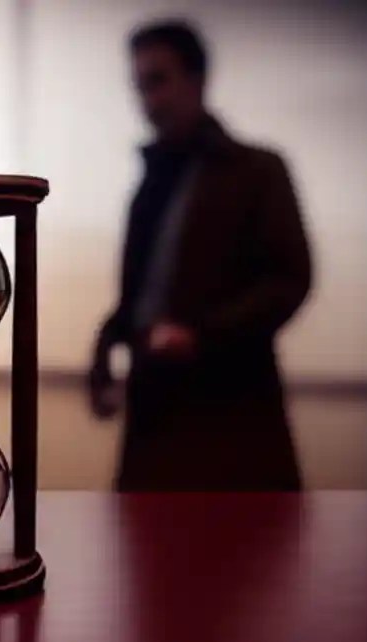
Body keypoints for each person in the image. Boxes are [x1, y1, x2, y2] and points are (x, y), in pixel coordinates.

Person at [89, 20, 312, 491]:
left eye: (158, 81)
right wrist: (104, 351)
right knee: (145, 532)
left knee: (238, 534)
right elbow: (141, 298)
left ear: (197, 79)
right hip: (155, 407)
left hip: (231, 410)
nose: (148, 100)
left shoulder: (257, 171)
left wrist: (201, 334)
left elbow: (289, 279)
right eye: (139, 85)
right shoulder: (152, 183)